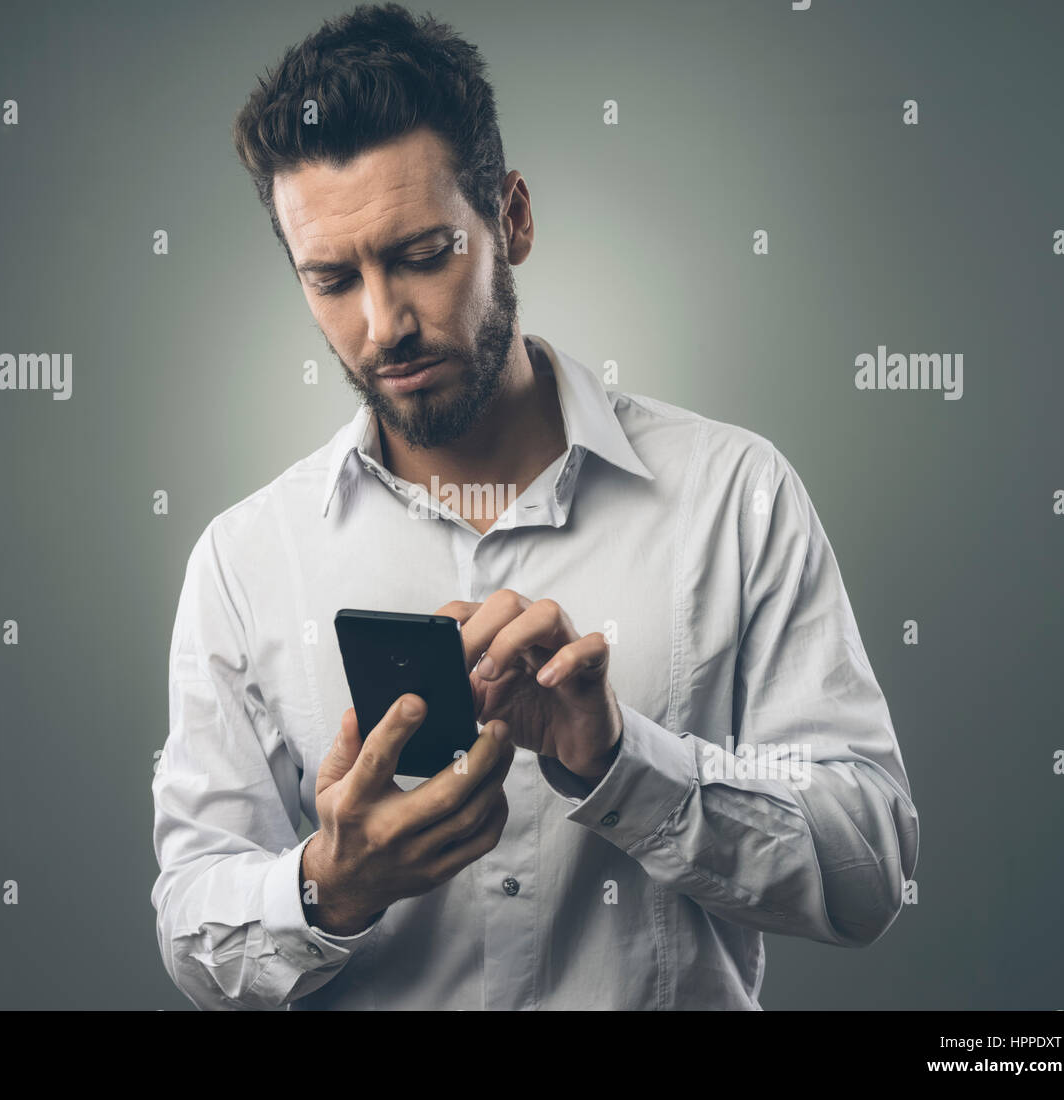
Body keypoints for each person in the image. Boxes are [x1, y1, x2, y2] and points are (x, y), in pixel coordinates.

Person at [151, 2, 919, 1010]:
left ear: (510, 217)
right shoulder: (245, 560)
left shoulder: (735, 494)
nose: (383, 325)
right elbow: (191, 922)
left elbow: (870, 870)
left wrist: (619, 760)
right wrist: (326, 888)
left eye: (423, 253)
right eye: (332, 278)